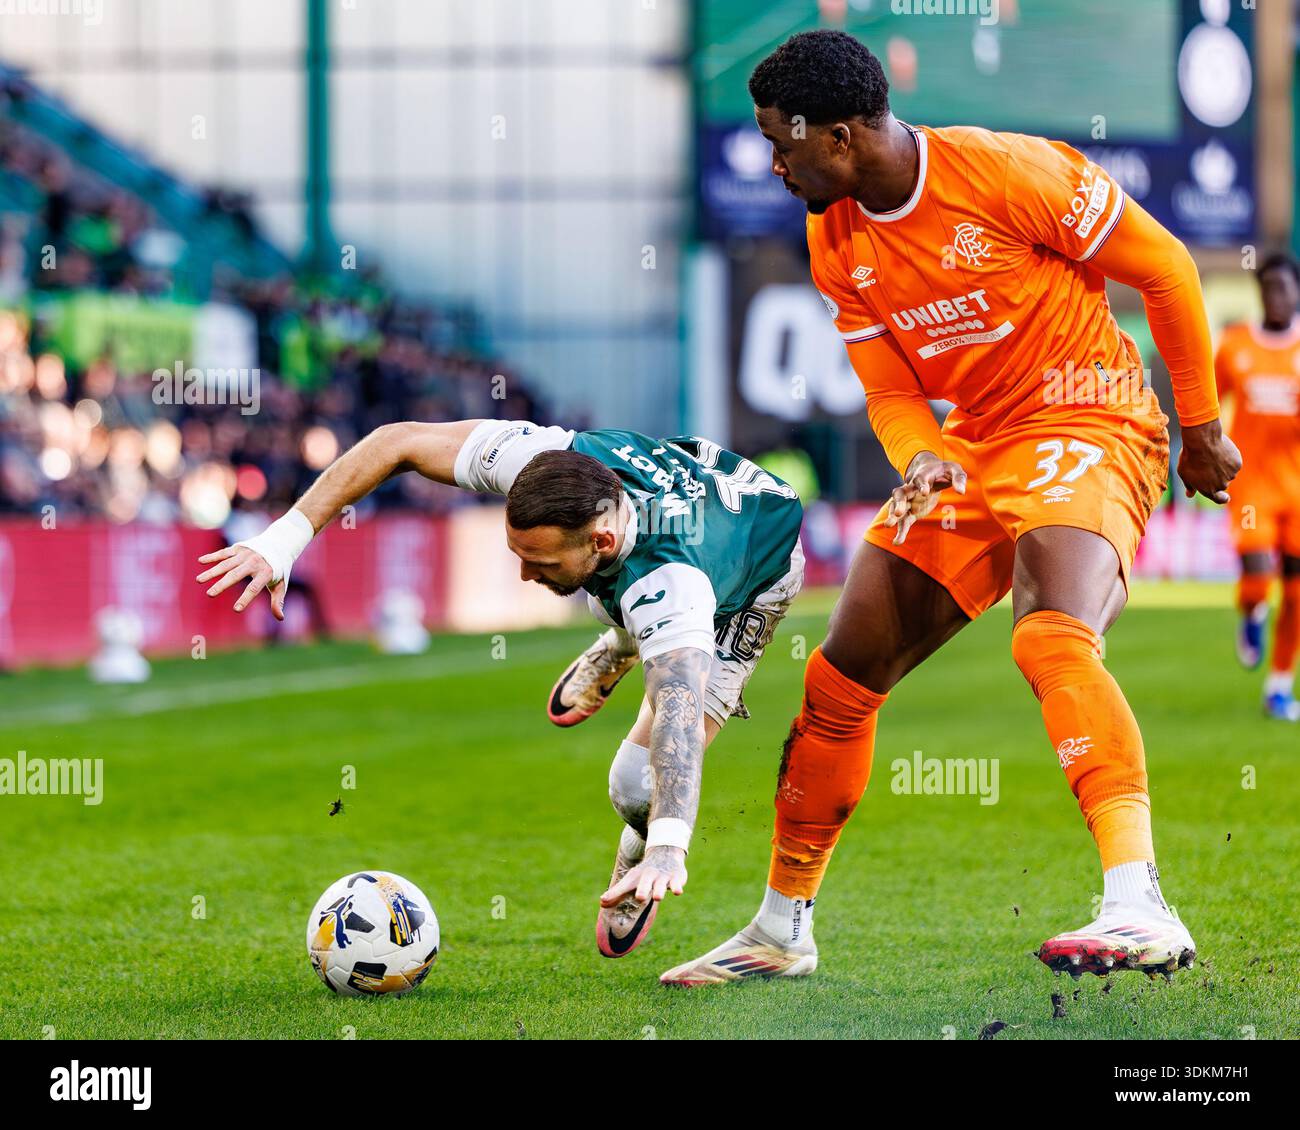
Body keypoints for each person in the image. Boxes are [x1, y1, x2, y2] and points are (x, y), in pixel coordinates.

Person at [659, 29, 1241, 987]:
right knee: (839, 680)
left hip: (1087, 417)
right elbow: (887, 389)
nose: (772, 163)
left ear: (840, 137)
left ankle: (1140, 903)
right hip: (975, 446)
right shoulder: (833, 232)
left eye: (782, 143)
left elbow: (1168, 267)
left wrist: (1203, 425)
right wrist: (922, 458)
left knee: (1049, 635)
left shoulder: (1013, 173)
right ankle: (779, 930)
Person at [196, 417, 804, 959]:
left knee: (634, 786)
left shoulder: (676, 588)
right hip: (683, 505)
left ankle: (626, 663)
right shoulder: (542, 457)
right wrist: (281, 543)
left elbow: (678, 712)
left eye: (539, 562)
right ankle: (622, 638)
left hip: (754, 576)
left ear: (601, 540)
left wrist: (668, 846)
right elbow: (397, 442)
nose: (523, 572)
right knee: (611, 598)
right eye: (518, 553)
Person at [1214, 253, 1300, 721]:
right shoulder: (1235, 344)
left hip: (1297, 488)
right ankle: (1250, 612)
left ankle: (1280, 688)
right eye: (1269, 290)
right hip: (1250, 483)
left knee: (1297, 595)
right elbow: (1206, 400)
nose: (1278, 298)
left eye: (1286, 289)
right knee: (1257, 573)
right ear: (1260, 295)